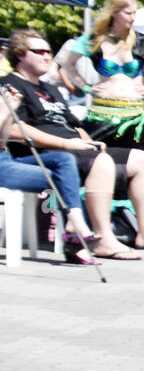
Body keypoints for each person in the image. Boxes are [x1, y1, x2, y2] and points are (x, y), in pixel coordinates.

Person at [5, 27, 144, 257]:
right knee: (101, 162)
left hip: (77, 150)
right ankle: (103, 239)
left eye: (49, 51)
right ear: (20, 54)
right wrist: (66, 145)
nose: (47, 56)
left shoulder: (50, 89)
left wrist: (90, 143)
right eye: (39, 51)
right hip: (43, 157)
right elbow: (14, 129)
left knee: (142, 160)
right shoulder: (9, 85)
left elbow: (75, 125)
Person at [0, 79, 100, 265]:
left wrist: (10, 108)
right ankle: (76, 235)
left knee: (64, 161)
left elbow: (2, 140)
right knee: (65, 180)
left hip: (6, 159)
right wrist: (5, 111)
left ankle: (74, 221)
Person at [58, 0, 144, 149]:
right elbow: (66, 63)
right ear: (114, 13)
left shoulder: (142, 40)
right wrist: (85, 87)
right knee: (100, 160)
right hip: (101, 111)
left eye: (134, 13)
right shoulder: (94, 39)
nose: (133, 18)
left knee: (133, 163)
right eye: (128, 13)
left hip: (134, 114)